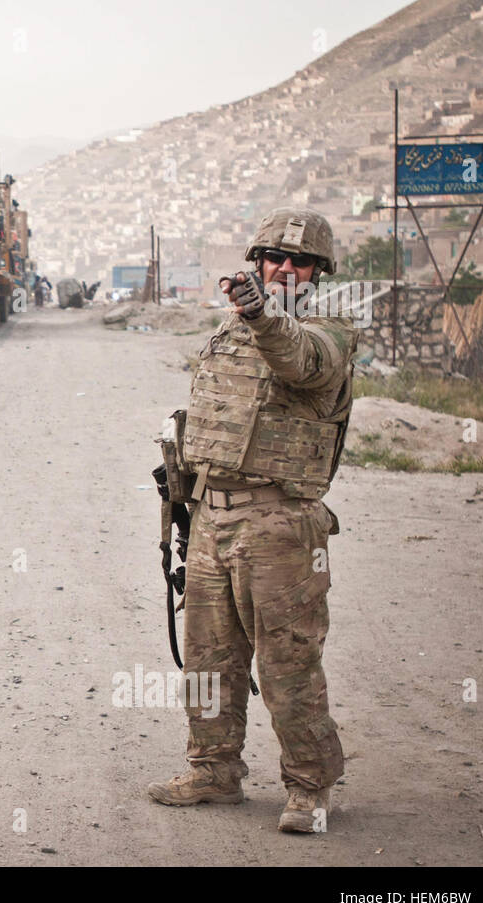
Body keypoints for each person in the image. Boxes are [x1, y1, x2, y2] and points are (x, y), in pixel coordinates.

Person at [148, 208, 358, 834]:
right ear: (257, 262)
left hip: (280, 524)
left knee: (288, 662)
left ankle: (309, 789)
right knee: (209, 658)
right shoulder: (230, 332)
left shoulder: (328, 334)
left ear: (317, 273)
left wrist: (265, 314)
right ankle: (214, 771)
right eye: (275, 259)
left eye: (300, 262)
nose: (286, 269)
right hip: (213, 514)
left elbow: (299, 361)